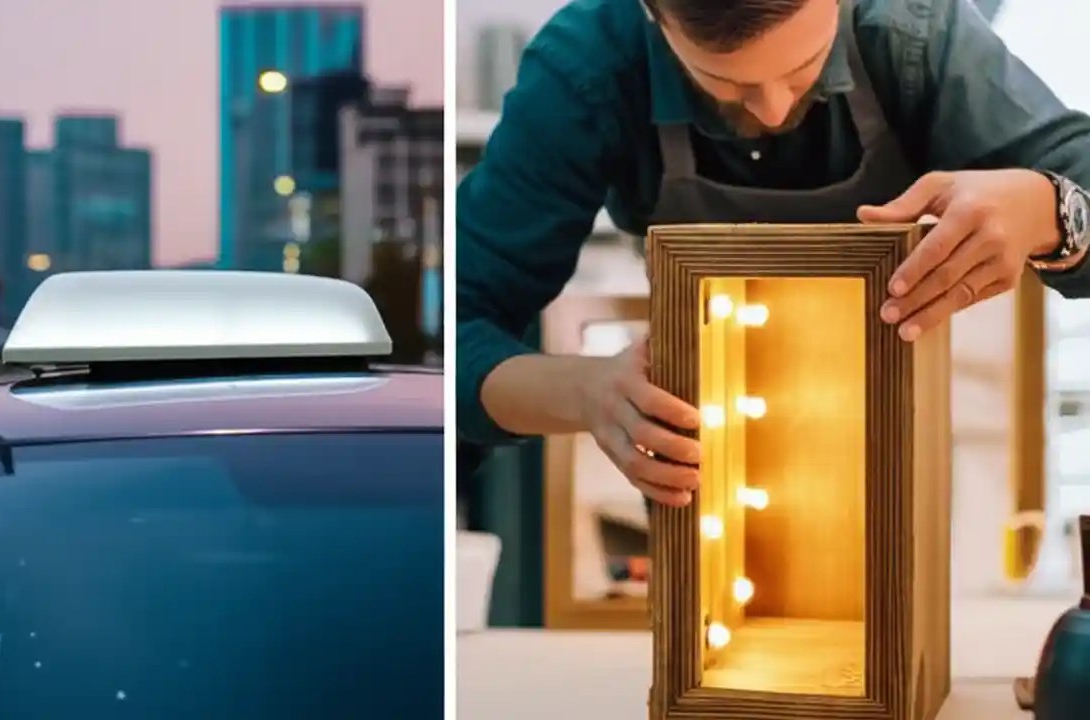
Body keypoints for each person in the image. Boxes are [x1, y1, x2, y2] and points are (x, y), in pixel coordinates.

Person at [456, 0, 1090, 505]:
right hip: (711, 482)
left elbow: (1076, 186)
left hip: (908, 466)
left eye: (804, 66)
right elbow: (451, 335)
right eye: (727, 84)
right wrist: (587, 392)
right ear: (654, 15)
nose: (775, 109)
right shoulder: (589, 63)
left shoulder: (913, 31)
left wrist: (1050, 210)